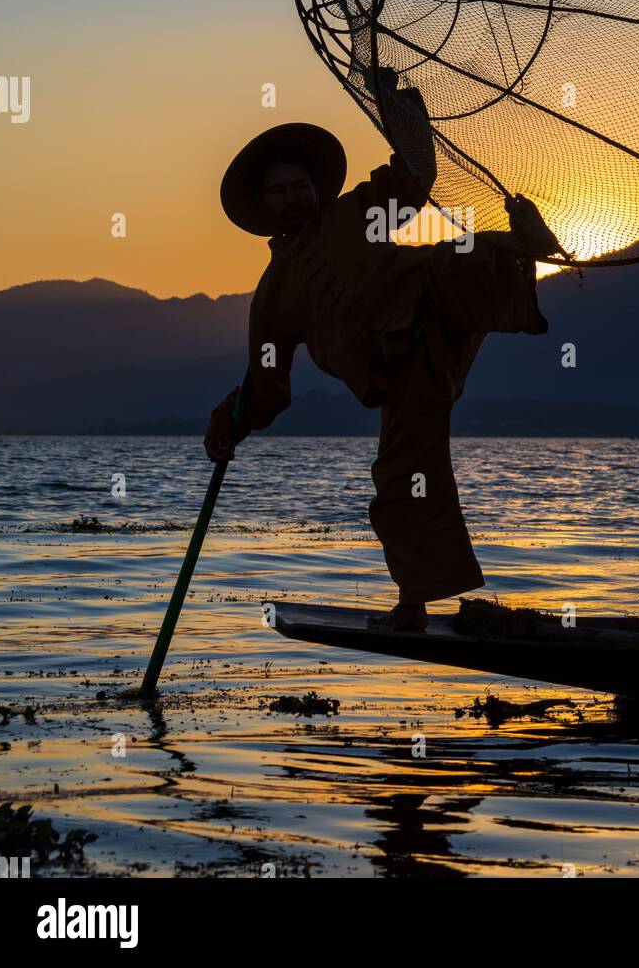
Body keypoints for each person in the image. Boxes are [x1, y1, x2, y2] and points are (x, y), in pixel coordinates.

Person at [205, 70, 560, 631]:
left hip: (436, 307)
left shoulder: (358, 211)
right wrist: (230, 423)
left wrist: (395, 107)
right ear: (264, 204)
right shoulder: (272, 295)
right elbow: (267, 380)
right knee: (401, 477)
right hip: (400, 376)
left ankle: (516, 247)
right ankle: (413, 604)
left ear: (316, 189)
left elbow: (416, 174)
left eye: (300, 187)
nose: (293, 198)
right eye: (279, 191)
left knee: (454, 259)